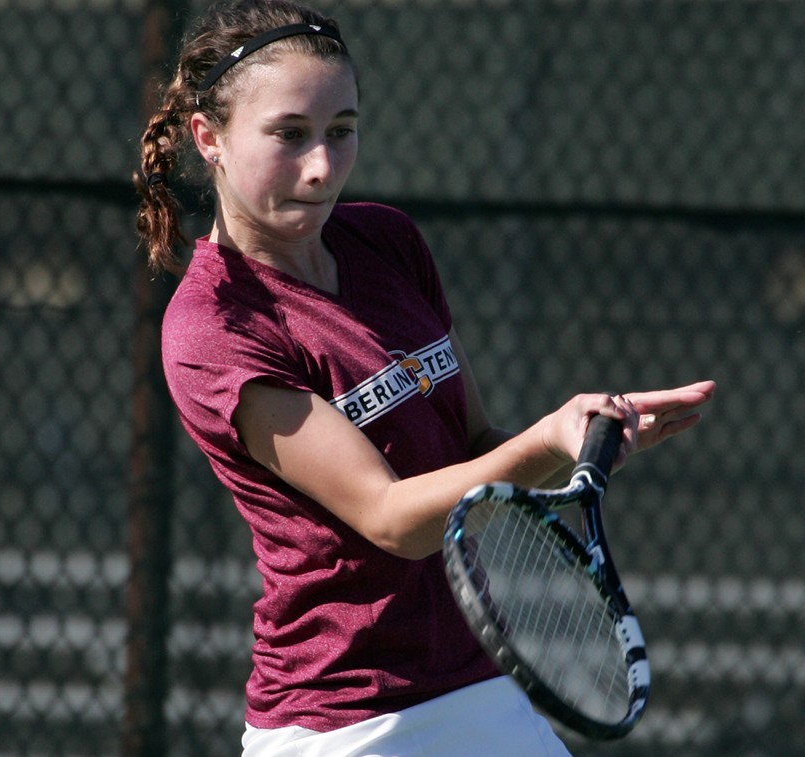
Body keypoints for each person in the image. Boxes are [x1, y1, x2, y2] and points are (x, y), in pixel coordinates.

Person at [133, 2, 716, 754]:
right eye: (290, 134)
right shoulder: (215, 326)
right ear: (208, 138)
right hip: (347, 720)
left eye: (341, 131)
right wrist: (546, 438)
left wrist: (584, 444)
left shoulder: (388, 242)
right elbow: (391, 518)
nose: (322, 166)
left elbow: (473, 451)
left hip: (476, 681)